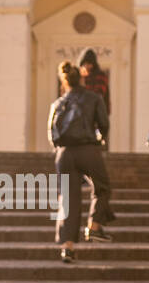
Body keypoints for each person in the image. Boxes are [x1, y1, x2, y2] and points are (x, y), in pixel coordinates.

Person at [48, 59, 112, 264]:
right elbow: (104, 124)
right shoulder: (93, 98)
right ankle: (94, 226)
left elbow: (51, 134)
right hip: (88, 149)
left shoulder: (58, 103)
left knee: (68, 199)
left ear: (64, 81)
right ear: (81, 79)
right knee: (102, 187)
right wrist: (100, 139)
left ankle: (68, 247)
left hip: (64, 153)